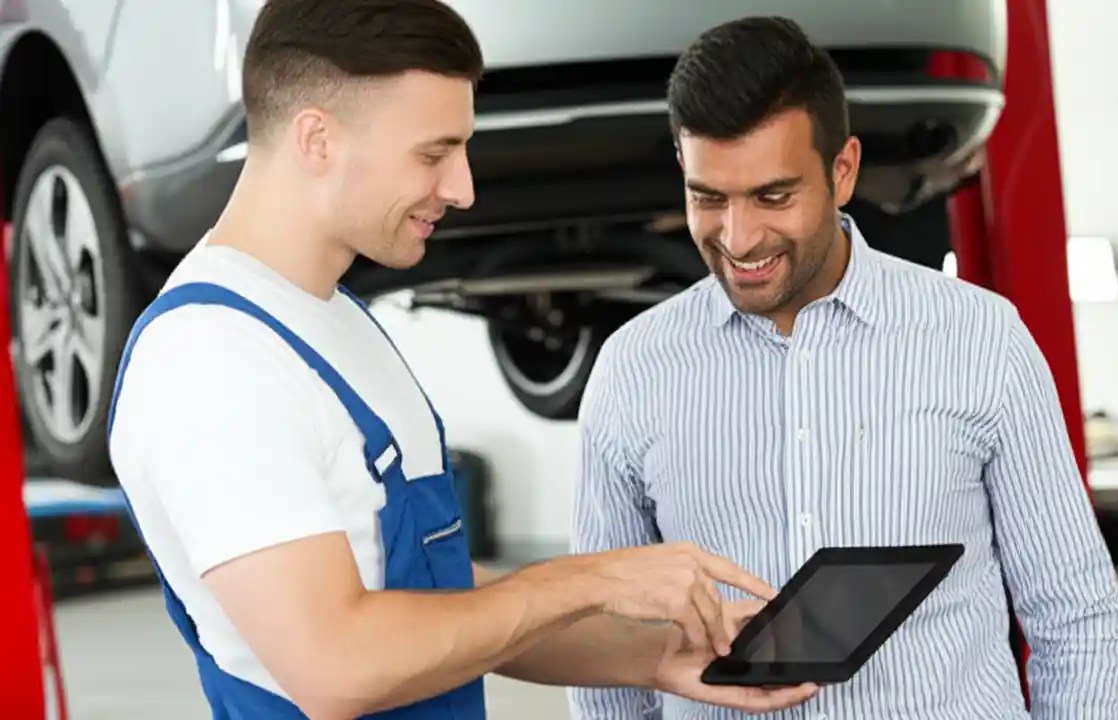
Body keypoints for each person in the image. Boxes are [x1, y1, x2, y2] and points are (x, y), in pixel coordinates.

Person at [106, 2, 822, 718]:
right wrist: (590, 580)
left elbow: (439, 598)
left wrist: (660, 656)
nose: (463, 188)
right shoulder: (211, 361)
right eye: (433, 153)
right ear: (316, 139)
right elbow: (337, 665)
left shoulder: (331, 319)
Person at [569, 15, 1118, 720]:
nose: (739, 238)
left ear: (843, 170)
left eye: (774, 196)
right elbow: (606, 659)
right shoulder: (634, 371)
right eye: (710, 198)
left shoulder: (978, 338)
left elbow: (1075, 616)